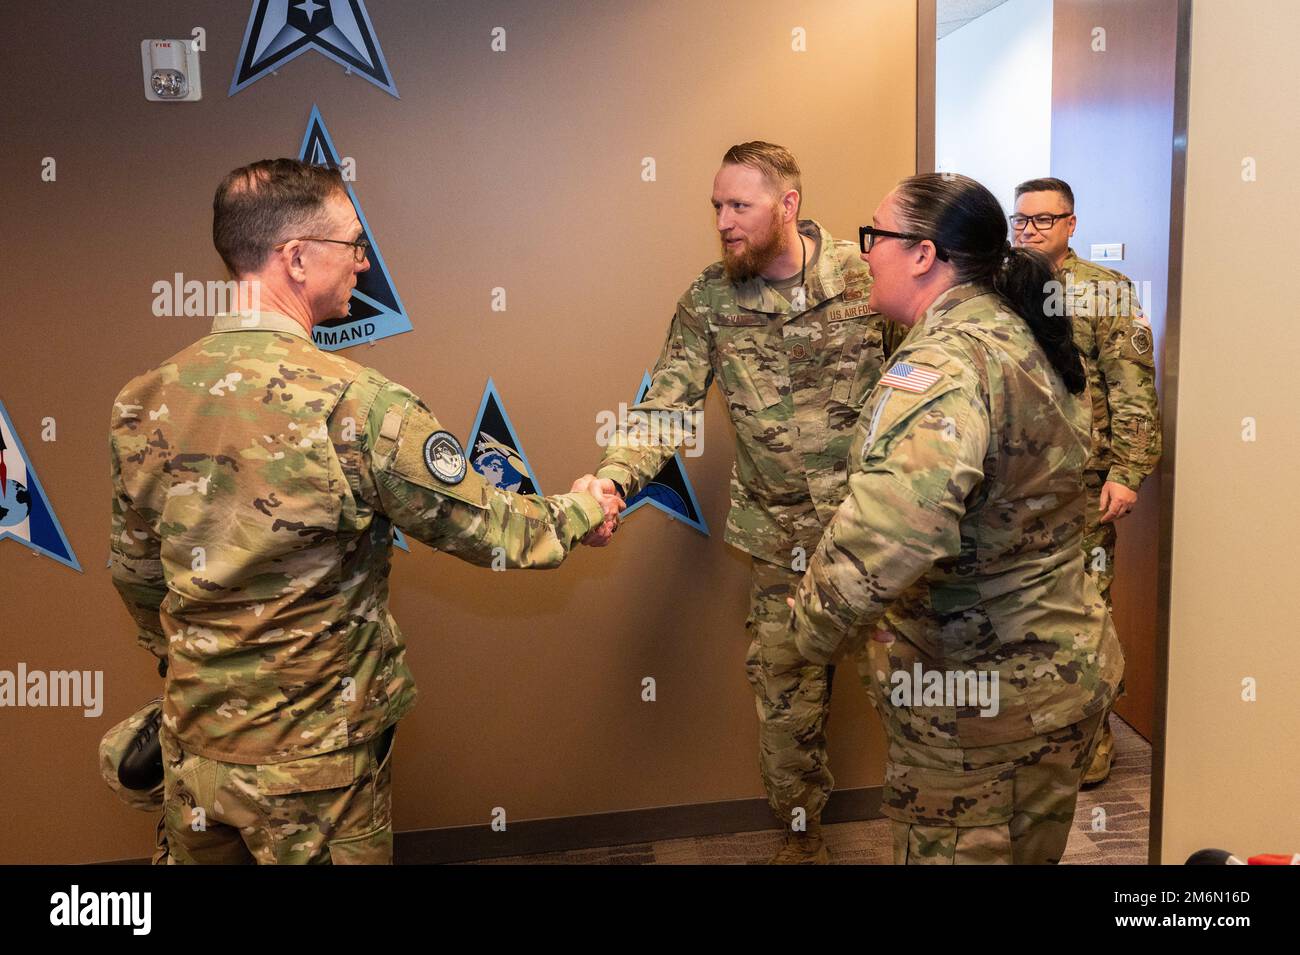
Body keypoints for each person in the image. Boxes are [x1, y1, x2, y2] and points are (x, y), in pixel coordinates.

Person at [108, 159, 623, 865]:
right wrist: (579, 509)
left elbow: (137, 577)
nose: (363, 260)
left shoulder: (142, 401)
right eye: (352, 243)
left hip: (194, 753)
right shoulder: (357, 405)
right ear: (295, 259)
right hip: (316, 774)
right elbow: (494, 530)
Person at [788, 173, 1124, 864]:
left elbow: (893, 532)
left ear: (921, 254)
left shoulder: (944, 362)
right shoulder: (1016, 331)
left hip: (978, 708)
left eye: (873, 237)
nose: (862, 253)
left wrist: (806, 630)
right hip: (1059, 677)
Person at [587, 142, 901, 863]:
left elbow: (925, 378)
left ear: (786, 205)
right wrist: (612, 478)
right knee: (787, 712)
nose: (723, 221)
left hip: (878, 541)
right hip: (781, 549)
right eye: (716, 207)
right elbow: (666, 408)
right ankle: (802, 844)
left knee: (907, 696)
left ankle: (928, 842)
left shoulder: (864, 276)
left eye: (739, 206)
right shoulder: (710, 300)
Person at [1011, 177, 1161, 784]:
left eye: (1043, 221)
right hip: (1016, 490)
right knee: (1019, 615)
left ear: (1072, 224)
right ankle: (1033, 740)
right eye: (1020, 220)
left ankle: (1092, 744)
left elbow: (1133, 388)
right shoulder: (998, 289)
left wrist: (1128, 473)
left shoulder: (1106, 294)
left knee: (1085, 617)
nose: (1028, 231)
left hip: (1083, 488)